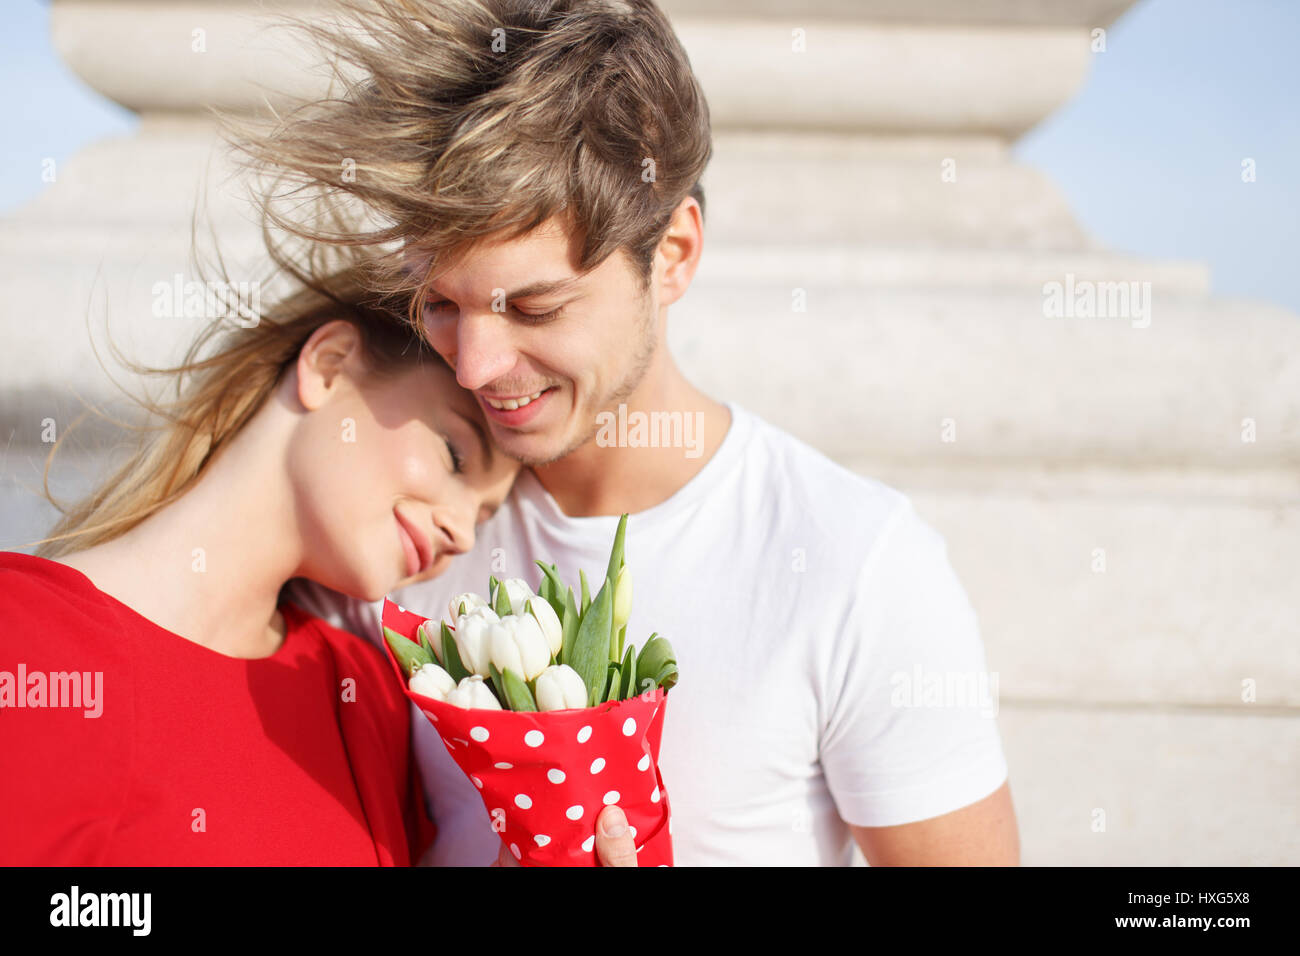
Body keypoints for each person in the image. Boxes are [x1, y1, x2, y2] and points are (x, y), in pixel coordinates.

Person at [245, 0, 1020, 866]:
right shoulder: (407, 525)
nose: (472, 367)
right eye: (441, 305)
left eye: (534, 307)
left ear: (676, 254)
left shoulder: (856, 563)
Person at [0, 265, 637, 866]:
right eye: (454, 453)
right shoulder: (24, 635)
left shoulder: (363, 692)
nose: (462, 534)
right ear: (329, 366)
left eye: (486, 515)